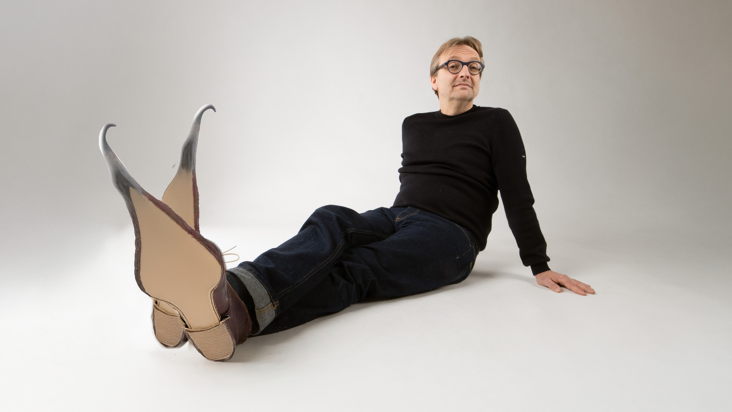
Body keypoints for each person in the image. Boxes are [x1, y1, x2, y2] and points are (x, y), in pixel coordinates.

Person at [100, 36, 595, 362]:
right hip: (398, 216)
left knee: (357, 270)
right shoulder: (414, 125)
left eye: (474, 66)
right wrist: (387, 223)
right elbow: (414, 183)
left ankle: (233, 314)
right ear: (434, 79)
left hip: (451, 237)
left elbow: (517, 192)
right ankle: (221, 295)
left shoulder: (496, 121)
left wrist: (538, 263)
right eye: (454, 64)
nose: (465, 71)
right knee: (331, 220)